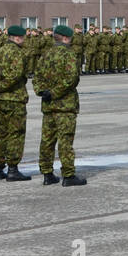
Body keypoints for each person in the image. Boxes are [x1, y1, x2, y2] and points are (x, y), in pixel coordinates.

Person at [34, 24, 86, 187]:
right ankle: (68, 175)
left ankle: (47, 173)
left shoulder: (46, 54)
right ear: (65, 38)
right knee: (65, 140)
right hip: (64, 106)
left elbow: (36, 77)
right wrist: (55, 92)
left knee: (47, 140)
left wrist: (43, 92)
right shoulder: (69, 54)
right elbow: (72, 79)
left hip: (49, 105)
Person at [0, 24, 32, 181]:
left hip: (0, 99)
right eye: (23, 37)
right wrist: (0, 88)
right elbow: (16, 75)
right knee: (16, 133)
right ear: (17, 38)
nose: (24, 40)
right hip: (14, 98)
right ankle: (12, 168)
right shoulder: (18, 53)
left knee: (1, 133)